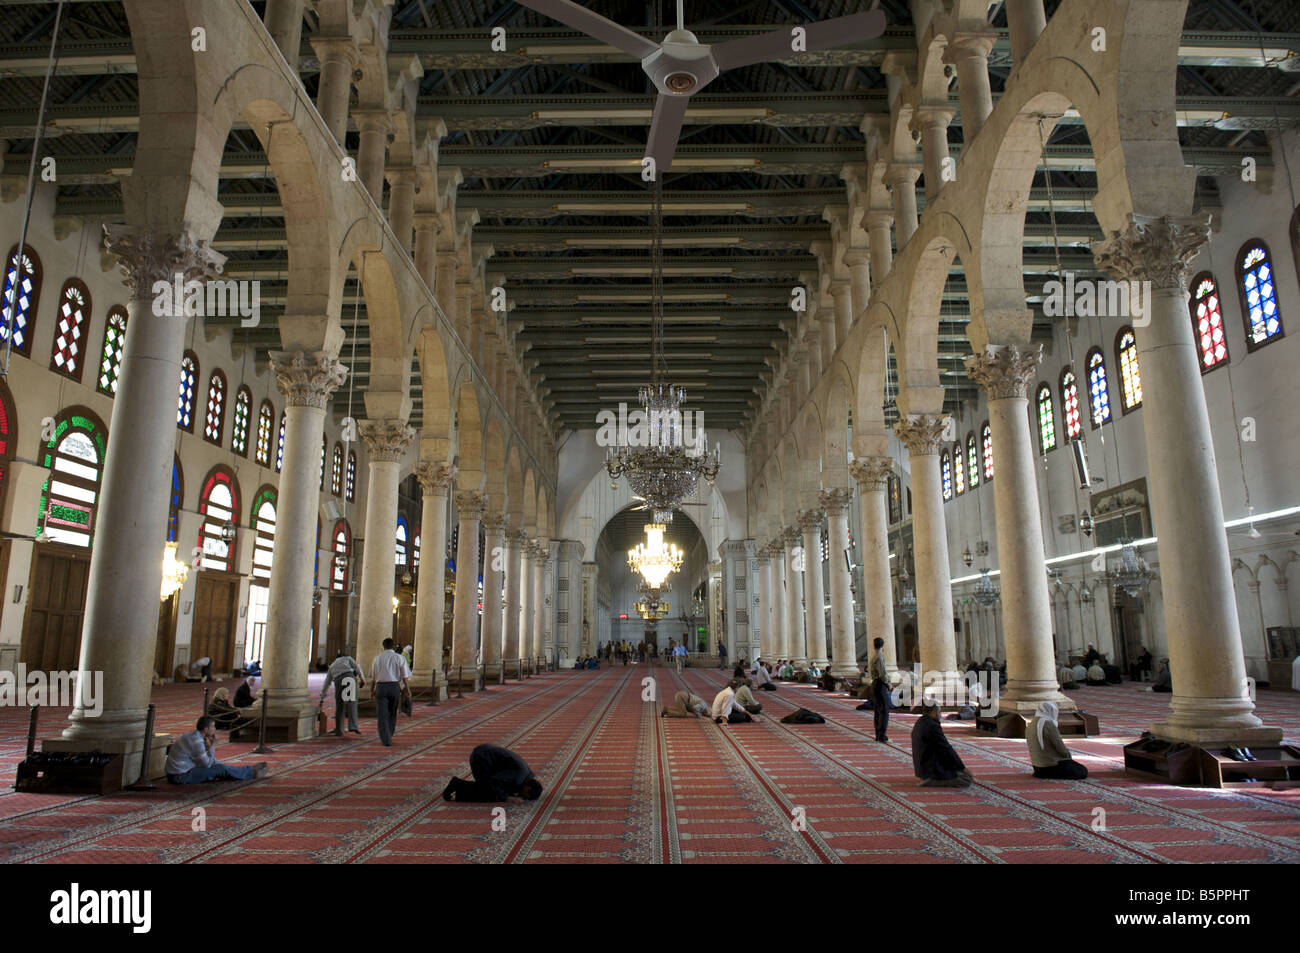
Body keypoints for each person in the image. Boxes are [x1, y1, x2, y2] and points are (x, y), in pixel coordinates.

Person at [166, 716, 267, 784]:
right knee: (219, 769)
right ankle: (251, 773)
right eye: (213, 726)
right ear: (206, 729)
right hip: (180, 776)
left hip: (180, 772)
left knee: (219, 767)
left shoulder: (193, 736)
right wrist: (211, 748)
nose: (214, 729)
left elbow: (204, 761)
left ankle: (247, 770)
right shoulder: (196, 741)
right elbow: (207, 764)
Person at [442, 744, 543, 802]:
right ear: (528, 787)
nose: (522, 796)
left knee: (494, 791)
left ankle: (458, 789)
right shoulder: (519, 777)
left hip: (485, 755)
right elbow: (495, 779)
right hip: (481, 757)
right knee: (487, 791)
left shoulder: (526, 774)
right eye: (525, 795)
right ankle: (456, 784)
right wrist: (505, 797)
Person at [911, 701, 973, 787]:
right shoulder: (932, 726)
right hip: (930, 768)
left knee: (958, 773)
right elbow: (946, 749)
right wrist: (962, 768)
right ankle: (932, 781)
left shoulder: (921, 721)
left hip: (923, 767)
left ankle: (931, 778)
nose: (940, 715)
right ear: (933, 712)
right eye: (939, 712)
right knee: (966, 780)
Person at [1026, 701, 1089, 779]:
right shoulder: (1048, 724)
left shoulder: (1031, 724)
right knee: (1082, 770)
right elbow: (1060, 746)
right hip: (1051, 766)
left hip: (1037, 767)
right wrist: (1068, 757)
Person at [369, 637, 412, 746]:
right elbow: (405, 676)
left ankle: (385, 739)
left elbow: (373, 678)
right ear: (393, 646)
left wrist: (371, 690)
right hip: (394, 687)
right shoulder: (399, 658)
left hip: (381, 687)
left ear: (383, 646)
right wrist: (407, 689)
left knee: (382, 714)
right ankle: (389, 734)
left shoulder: (377, 658)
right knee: (392, 713)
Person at [320, 650, 365, 736]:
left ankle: (339, 730)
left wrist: (322, 697)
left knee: (340, 705)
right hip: (349, 677)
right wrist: (362, 678)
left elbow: (327, 683)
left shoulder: (332, 666)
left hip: (338, 681)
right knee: (352, 702)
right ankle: (353, 726)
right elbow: (357, 667)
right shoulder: (347, 658)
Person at [869, 637, 891, 743]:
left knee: (877, 711)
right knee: (884, 711)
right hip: (880, 685)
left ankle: (878, 734)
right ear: (883, 646)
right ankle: (882, 735)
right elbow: (883, 674)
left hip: (874, 684)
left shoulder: (873, 657)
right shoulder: (879, 657)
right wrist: (889, 684)